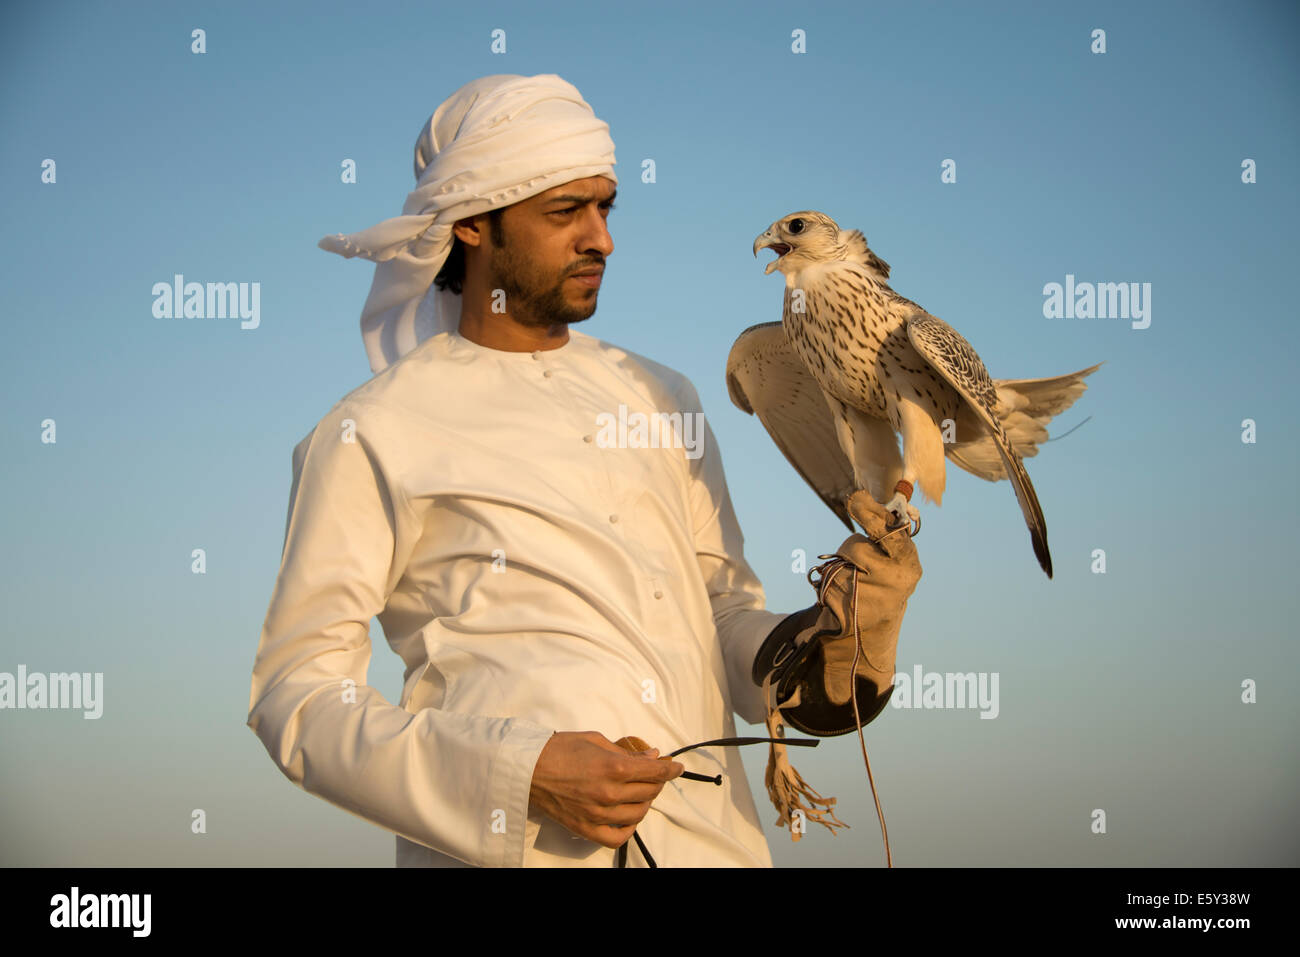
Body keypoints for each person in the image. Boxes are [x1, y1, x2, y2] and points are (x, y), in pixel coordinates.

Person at [246, 73, 920, 868]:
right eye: (565, 212)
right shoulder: (372, 430)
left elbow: (720, 618)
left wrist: (831, 631)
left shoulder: (662, 395)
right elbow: (298, 697)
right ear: (471, 224)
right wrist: (517, 770)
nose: (601, 238)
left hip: (714, 845)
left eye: (606, 207)